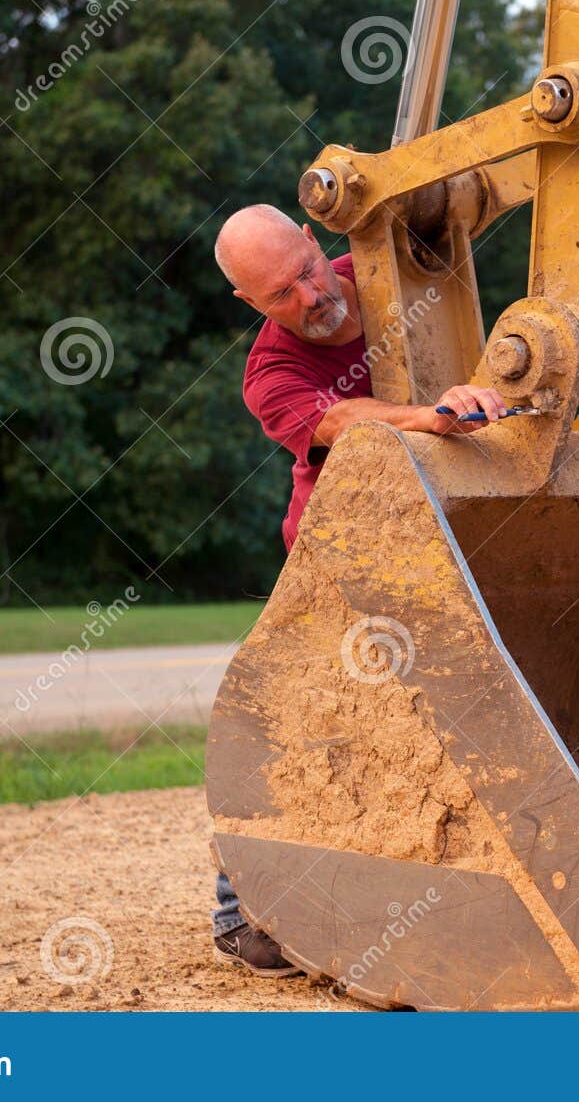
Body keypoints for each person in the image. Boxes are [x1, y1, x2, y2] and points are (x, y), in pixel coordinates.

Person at [207, 203, 507, 974]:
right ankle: (240, 912)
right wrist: (429, 416)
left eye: (307, 270)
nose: (311, 296)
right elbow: (342, 419)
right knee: (309, 720)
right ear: (250, 303)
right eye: (281, 294)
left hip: (450, 526)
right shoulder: (270, 375)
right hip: (340, 554)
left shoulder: (383, 275)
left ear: (316, 240)